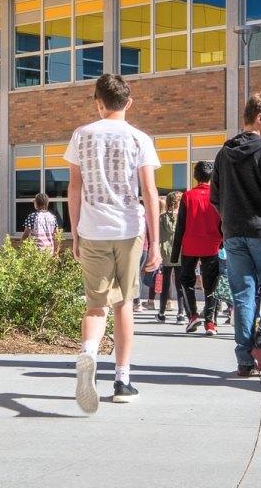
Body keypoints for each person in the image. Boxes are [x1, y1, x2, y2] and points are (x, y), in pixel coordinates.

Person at [65, 73, 161, 409]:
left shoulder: (82, 134)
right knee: (125, 304)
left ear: (98, 102)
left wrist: (74, 233)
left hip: (92, 230)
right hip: (129, 230)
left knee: (96, 306)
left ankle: (89, 353)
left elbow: (74, 188)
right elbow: (149, 192)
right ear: (128, 103)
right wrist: (157, 241)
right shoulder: (139, 138)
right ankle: (122, 380)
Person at [211, 93, 261, 378]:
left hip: (233, 232)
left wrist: (230, 220)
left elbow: (215, 197)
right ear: (260, 118)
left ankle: (244, 360)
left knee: (243, 294)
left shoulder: (223, 154)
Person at [173, 161, 223, 335]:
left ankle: (192, 315)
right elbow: (223, 222)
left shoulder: (187, 196)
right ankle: (210, 322)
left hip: (190, 244)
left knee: (186, 281)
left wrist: (174, 254)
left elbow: (180, 226)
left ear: (195, 176)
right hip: (212, 244)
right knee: (212, 284)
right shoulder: (217, 196)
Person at [156, 190, 182, 321]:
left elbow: (159, 236)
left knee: (166, 282)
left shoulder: (162, 218)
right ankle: (181, 313)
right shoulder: (184, 217)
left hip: (166, 252)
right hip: (181, 252)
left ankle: (161, 312)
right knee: (180, 283)